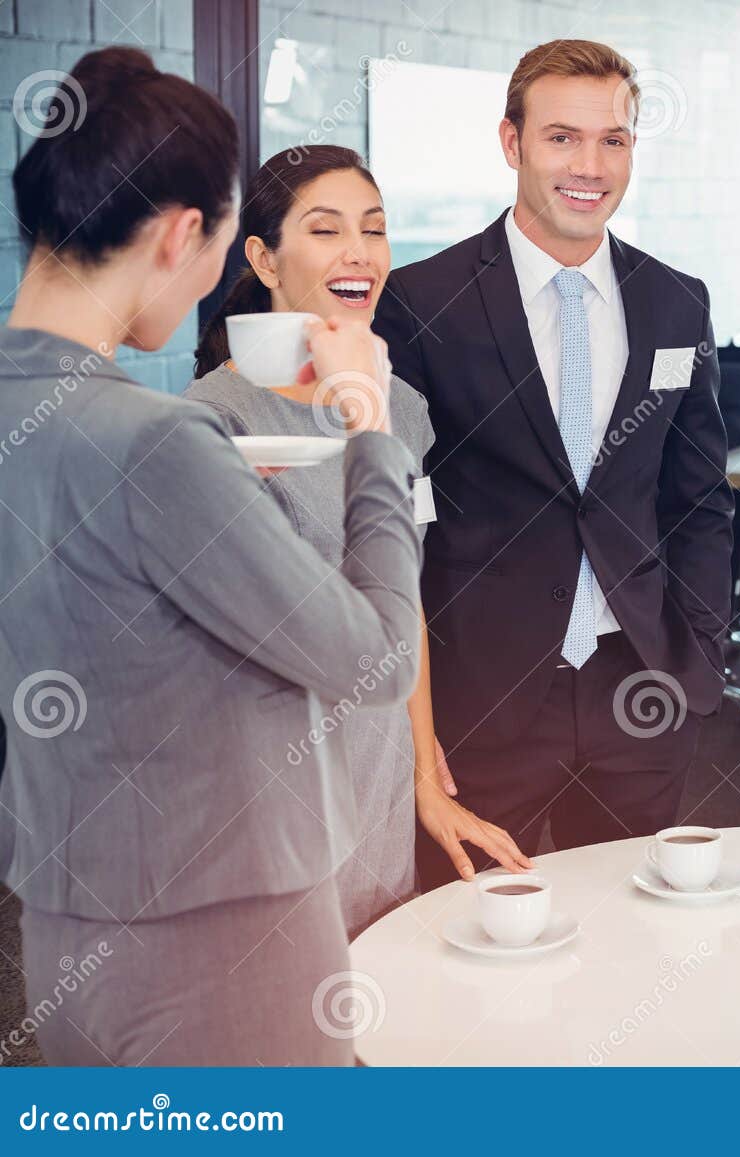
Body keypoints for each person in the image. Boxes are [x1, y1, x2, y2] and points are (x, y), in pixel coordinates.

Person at [0, 48, 423, 1064]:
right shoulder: (157, 438)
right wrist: (370, 427)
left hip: (61, 923)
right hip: (225, 936)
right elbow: (377, 660)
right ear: (181, 234)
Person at [372, 39, 733, 890]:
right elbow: (395, 522)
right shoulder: (424, 302)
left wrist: (697, 656)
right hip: (479, 696)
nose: (590, 166)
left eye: (613, 140)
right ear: (513, 143)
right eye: (562, 138)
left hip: (638, 687)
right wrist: (412, 718)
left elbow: (700, 501)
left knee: (632, 921)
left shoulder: (676, 301)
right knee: (463, 923)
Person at [185, 147, 532, 927]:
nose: (359, 251)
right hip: (273, 781)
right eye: (326, 229)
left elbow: (402, 599)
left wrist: (422, 775)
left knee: (376, 976)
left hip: (377, 765)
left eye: (373, 229)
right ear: (263, 259)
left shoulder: (399, 406)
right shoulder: (217, 419)